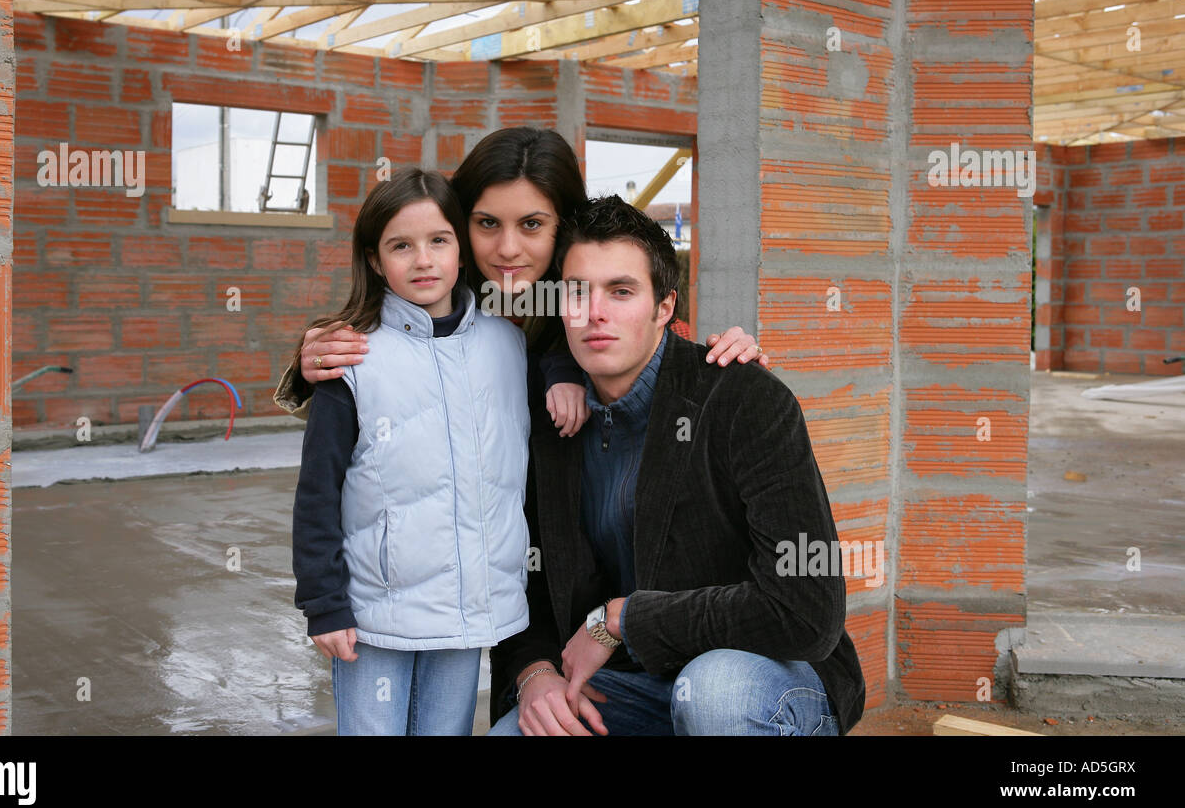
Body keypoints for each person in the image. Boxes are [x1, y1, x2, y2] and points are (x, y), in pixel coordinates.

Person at [488, 196, 867, 736]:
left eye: (621, 292)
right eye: (577, 292)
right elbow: (522, 584)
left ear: (664, 308)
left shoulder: (744, 400)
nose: (595, 312)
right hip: (627, 685)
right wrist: (534, 674)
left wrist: (622, 619)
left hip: (763, 679)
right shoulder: (550, 422)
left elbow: (806, 610)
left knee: (713, 694)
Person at [274, 127, 767, 436]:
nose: (508, 249)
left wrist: (724, 364)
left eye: (531, 225)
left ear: (564, 226)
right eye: (487, 223)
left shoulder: (590, 307)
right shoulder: (427, 302)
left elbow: (667, 351)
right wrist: (313, 367)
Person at [290, 167, 530, 735]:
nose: (423, 260)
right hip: (374, 617)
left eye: (438, 241)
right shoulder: (350, 357)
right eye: (401, 245)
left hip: (466, 613)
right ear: (375, 260)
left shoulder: (509, 344)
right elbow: (317, 491)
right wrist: (324, 602)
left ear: (463, 251)